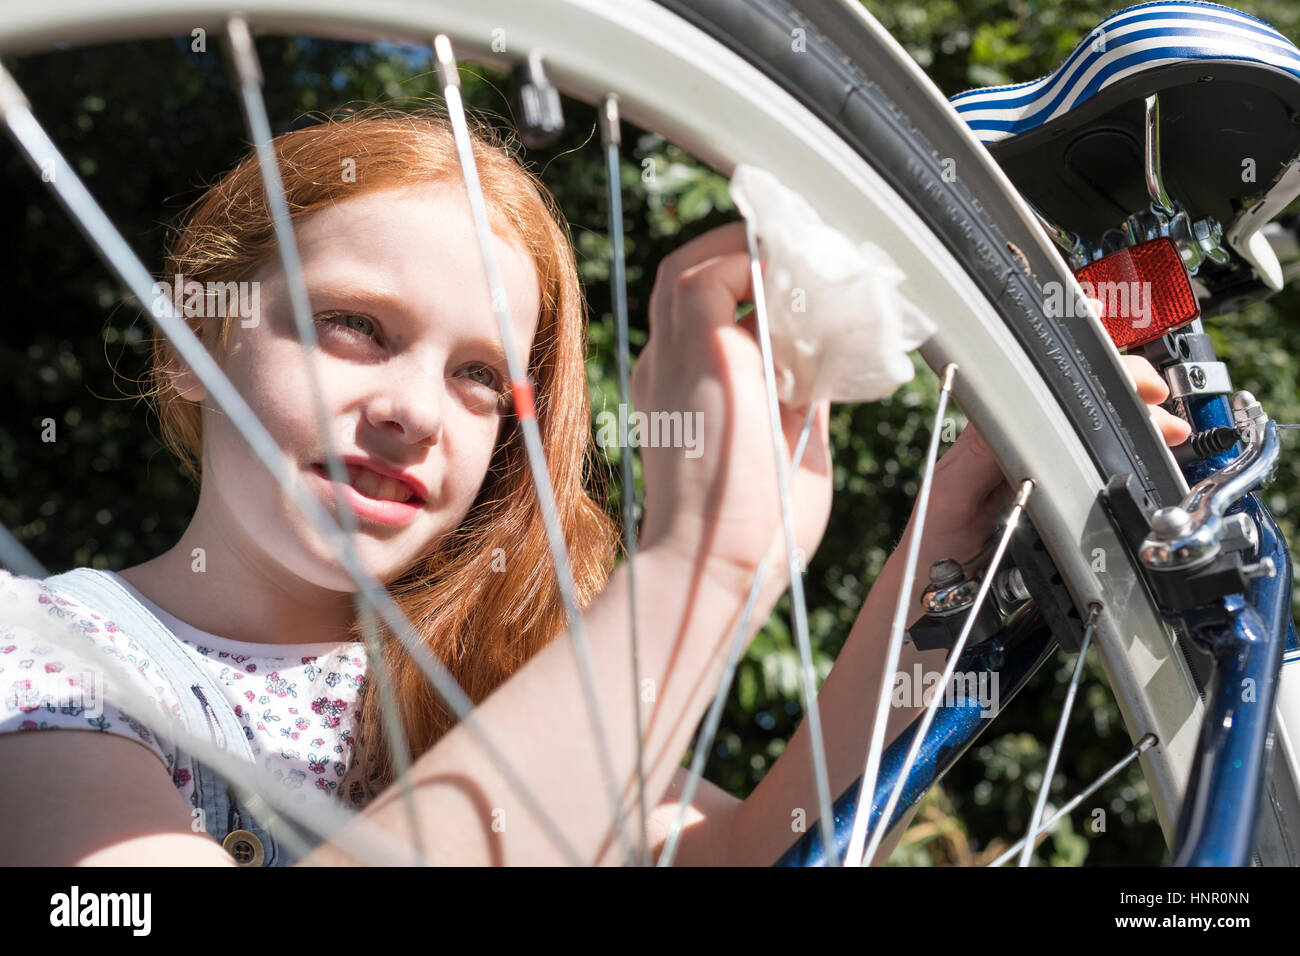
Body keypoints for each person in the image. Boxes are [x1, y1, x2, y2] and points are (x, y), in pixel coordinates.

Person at [0, 107, 1190, 866]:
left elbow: (743, 856)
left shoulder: (482, 682)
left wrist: (956, 513)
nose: (415, 408)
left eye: (480, 376)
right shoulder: (49, 660)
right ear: (187, 348)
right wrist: (696, 571)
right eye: (353, 326)